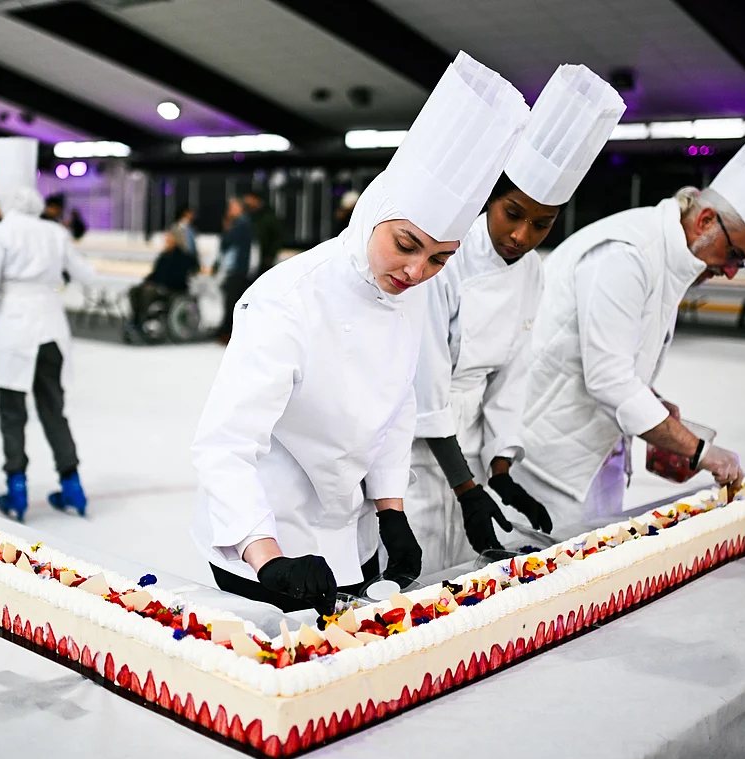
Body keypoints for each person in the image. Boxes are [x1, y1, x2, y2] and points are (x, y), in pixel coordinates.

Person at [191, 51, 529, 614]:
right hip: (266, 539)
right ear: (374, 212)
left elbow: (395, 405)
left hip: (351, 536)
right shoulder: (287, 299)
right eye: (405, 245)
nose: (417, 271)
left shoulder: (409, 291)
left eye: (440, 258)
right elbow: (225, 445)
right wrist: (268, 555)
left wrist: (391, 512)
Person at [518, 118, 745, 529]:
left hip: (592, 457)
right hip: (546, 468)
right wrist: (699, 452)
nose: (731, 272)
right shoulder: (627, 255)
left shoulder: (671, 259)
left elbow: (612, 357)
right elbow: (607, 378)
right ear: (706, 220)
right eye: (733, 254)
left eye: (741, 261)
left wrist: (653, 402)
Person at [409, 64, 625, 571]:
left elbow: (512, 374)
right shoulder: (445, 261)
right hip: (414, 455)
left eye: (542, 223)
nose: (522, 236)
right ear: (491, 199)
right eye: (513, 213)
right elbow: (426, 388)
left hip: (472, 458)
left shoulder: (532, 273)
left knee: (462, 586)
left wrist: (500, 471)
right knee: (413, 588)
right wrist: (466, 486)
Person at [0, 137, 96, 521]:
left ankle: (17, 489)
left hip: (14, 330)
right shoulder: (55, 232)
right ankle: (73, 486)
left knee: (12, 413)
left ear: (2, 198)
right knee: (54, 409)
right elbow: (86, 274)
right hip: (52, 329)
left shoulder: (0, 234)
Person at [214, 197, 253, 342]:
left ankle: (228, 332)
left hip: (237, 269)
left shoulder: (241, 224)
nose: (229, 210)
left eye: (232, 207)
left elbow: (226, 243)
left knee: (232, 301)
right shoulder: (241, 224)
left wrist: (227, 229)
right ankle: (228, 331)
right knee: (232, 300)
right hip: (237, 268)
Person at [243, 190, 282, 277]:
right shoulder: (249, 215)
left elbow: (277, 236)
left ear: (255, 199)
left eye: (249, 200)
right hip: (250, 257)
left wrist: (270, 254)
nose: (247, 202)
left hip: (264, 257)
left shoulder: (269, 215)